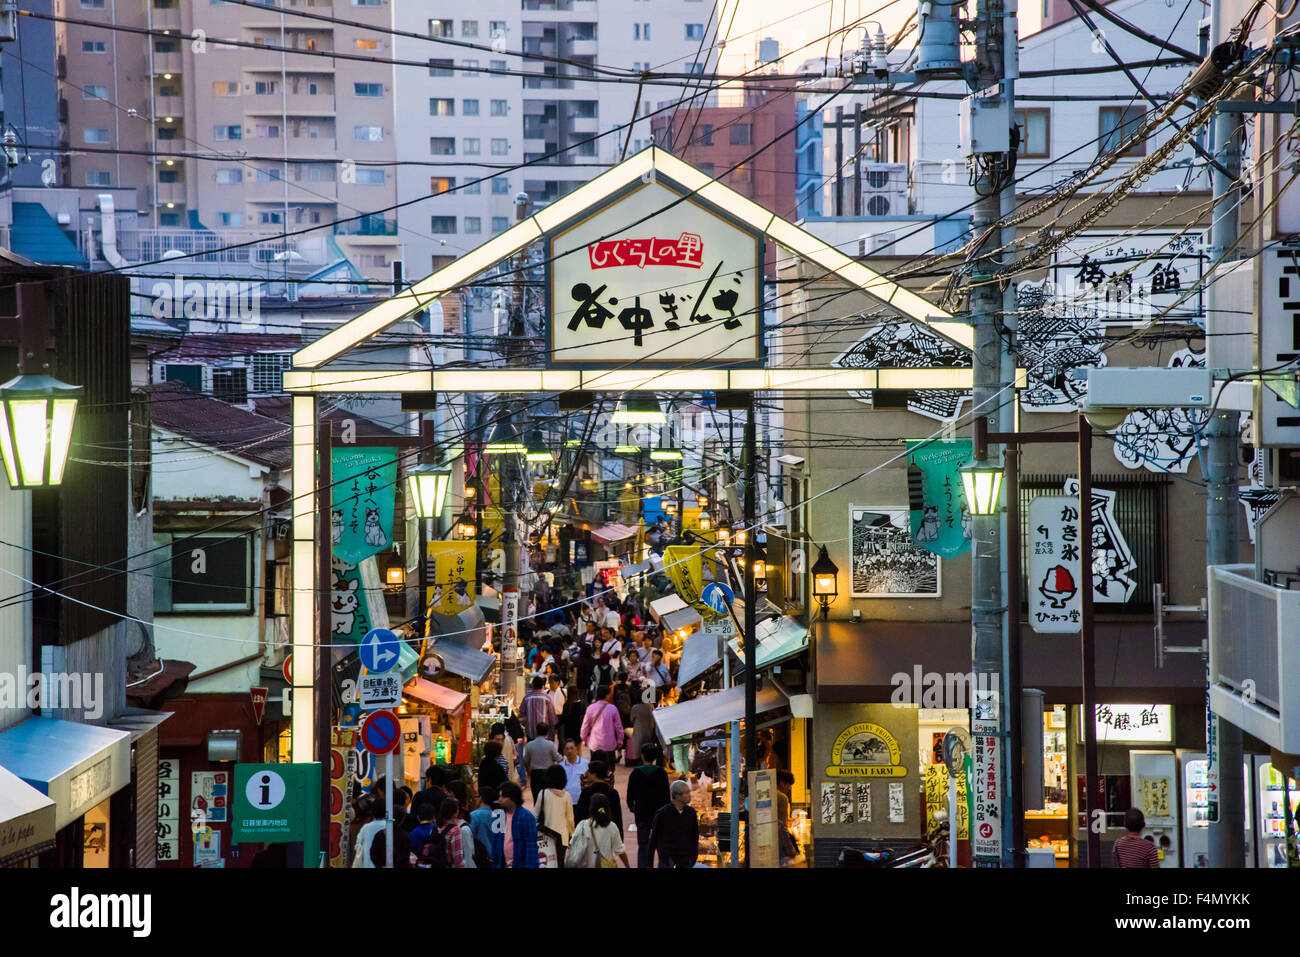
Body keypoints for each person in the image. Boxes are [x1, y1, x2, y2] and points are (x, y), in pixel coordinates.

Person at [626, 743, 672, 869]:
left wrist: (632, 807)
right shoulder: (661, 773)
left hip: (641, 814)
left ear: (642, 755)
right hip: (659, 814)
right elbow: (667, 796)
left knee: (643, 845)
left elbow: (630, 795)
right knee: (660, 845)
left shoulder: (636, 773)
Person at [567, 793, 630, 868]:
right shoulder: (612, 827)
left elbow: (572, 844)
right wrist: (627, 865)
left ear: (591, 808)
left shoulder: (582, 825)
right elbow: (620, 851)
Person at [647, 779, 699, 868]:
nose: (690, 795)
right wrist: (650, 864)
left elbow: (695, 837)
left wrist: (693, 858)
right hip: (667, 860)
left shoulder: (691, 813)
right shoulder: (662, 814)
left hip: (685, 860)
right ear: (677, 796)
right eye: (686, 793)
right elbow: (653, 839)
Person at [491, 782, 539, 868]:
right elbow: (495, 844)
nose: (500, 799)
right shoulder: (499, 816)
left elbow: (531, 847)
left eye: (503, 796)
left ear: (512, 798)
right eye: (499, 796)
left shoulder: (526, 817)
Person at [581, 683, 624, 777]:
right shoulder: (613, 709)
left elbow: (585, 726)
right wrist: (620, 741)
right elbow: (619, 727)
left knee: (595, 770)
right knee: (609, 771)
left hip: (595, 744)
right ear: (607, 695)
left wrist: (584, 739)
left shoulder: (590, 708)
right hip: (609, 745)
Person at [574, 759, 625, 836]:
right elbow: (618, 818)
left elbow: (579, 816)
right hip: (608, 833)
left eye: (590, 772)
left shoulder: (586, 792)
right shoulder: (613, 793)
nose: (587, 774)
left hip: (590, 834)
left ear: (594, 774)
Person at [536, 764, 576, 853]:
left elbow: (535, 816)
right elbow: (570, 819)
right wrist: (572, 834)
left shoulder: (543, 793)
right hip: (563, 837)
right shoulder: (567, 796)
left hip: (547, 837)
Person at [524, 722, 562, 803]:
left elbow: (526, 761)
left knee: (537, 798)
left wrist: (528, 771)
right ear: (547, 732)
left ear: (536, 731)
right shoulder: (550, 744)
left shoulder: (530, 745)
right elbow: (559, 758)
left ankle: (538, 815)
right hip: (548, 774)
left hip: (535, 774)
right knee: (548, 800)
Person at [521, 675, 558, 741]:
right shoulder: (547, 698)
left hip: (530, 733)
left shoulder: (527, 698)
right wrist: (554, 729)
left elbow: (521, 714)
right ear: (542, 686)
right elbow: (552, 717)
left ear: (533, 685)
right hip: (545, 734)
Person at [351, 799, 386, 868]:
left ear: (372, 811)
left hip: (367, 864)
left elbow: (357, 846)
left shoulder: (366, 827)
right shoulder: (389, 828)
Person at [469, 786, 499, 865]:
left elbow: (469, 836)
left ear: (481, 798)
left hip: (482, 858)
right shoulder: (499, 816)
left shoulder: (473, 816)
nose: (474, 798)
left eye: (476, 796)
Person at [776, 769, 799, 865]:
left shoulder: (767, 794)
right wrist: (790, 849)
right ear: (782, 782)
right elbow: (782, 827)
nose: (789, 788)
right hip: (779, 846)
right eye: (789, 785)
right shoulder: (782, 797)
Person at [627, 696, 656, 768]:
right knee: (648, 747)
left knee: (638, 747)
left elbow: (632, 719)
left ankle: (640, 762)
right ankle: (648, 762)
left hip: (638, 730)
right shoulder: (650, 706)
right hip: (649, 730)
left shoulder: (635, 707)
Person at [559, 738, 589, 805]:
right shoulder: (560, 767)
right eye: (566, 749)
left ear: (576, 749)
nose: (569, 751)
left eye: (571, 748)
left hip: (582, 801)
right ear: (563, 751)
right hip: (566, 802)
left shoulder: (586, 764)